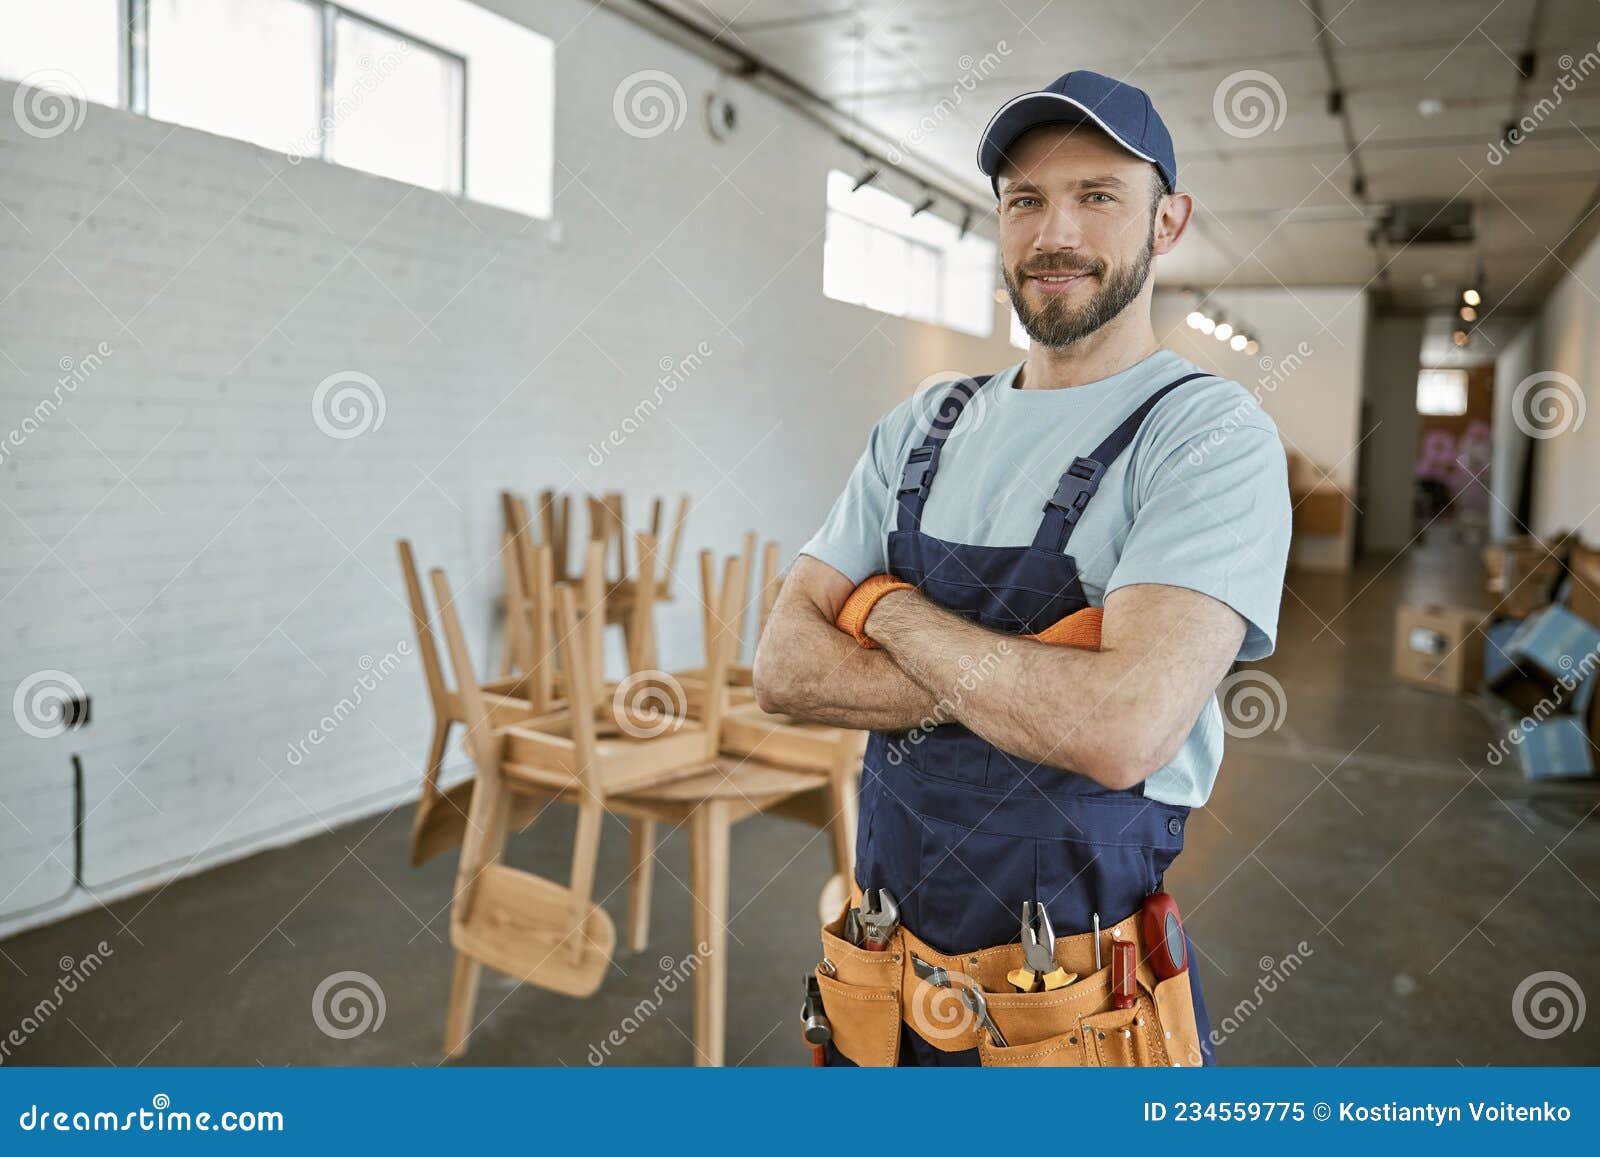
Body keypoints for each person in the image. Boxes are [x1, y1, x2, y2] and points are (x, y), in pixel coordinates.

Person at [754, 70, 1292, 1067]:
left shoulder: (1204, 436)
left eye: (1098, 196)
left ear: (1165, 221)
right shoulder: (921, 424)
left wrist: (884, 609)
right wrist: (1041, 676)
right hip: (887, 979)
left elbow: (1118, 728)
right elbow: (783, 668)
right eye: (1025, 200)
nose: (1056, 235)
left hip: (1073, 1006)